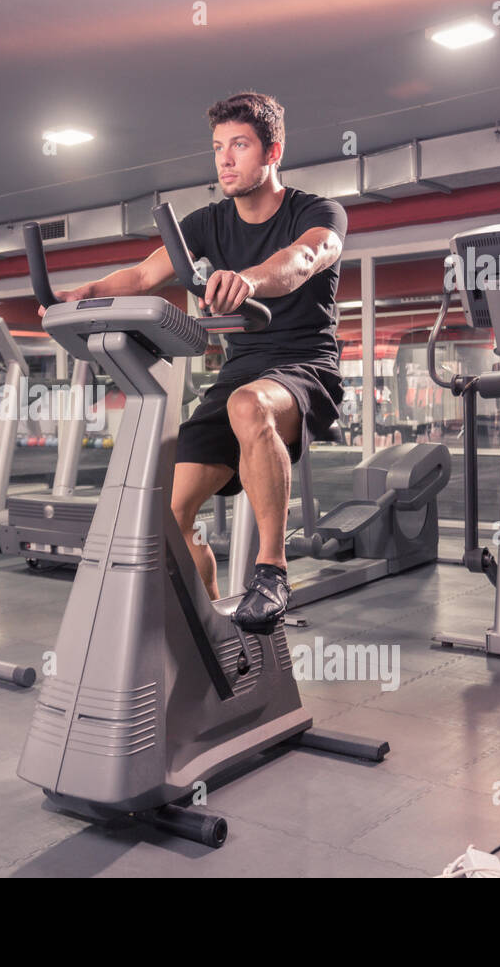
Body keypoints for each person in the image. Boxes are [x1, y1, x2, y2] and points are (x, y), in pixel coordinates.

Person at [45, 91, 347, 631]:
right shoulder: (207, 224)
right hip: (238, 375)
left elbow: (302, 259)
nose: (225, 160)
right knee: (170, 515)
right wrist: (83, 292)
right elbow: (140, 278)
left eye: (239, 145)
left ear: (272, 151)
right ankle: (215, 627)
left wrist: (247, 279)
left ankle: (272, 573)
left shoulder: (318, 212)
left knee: (250, 405)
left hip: (304, 368)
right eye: (217, 148)